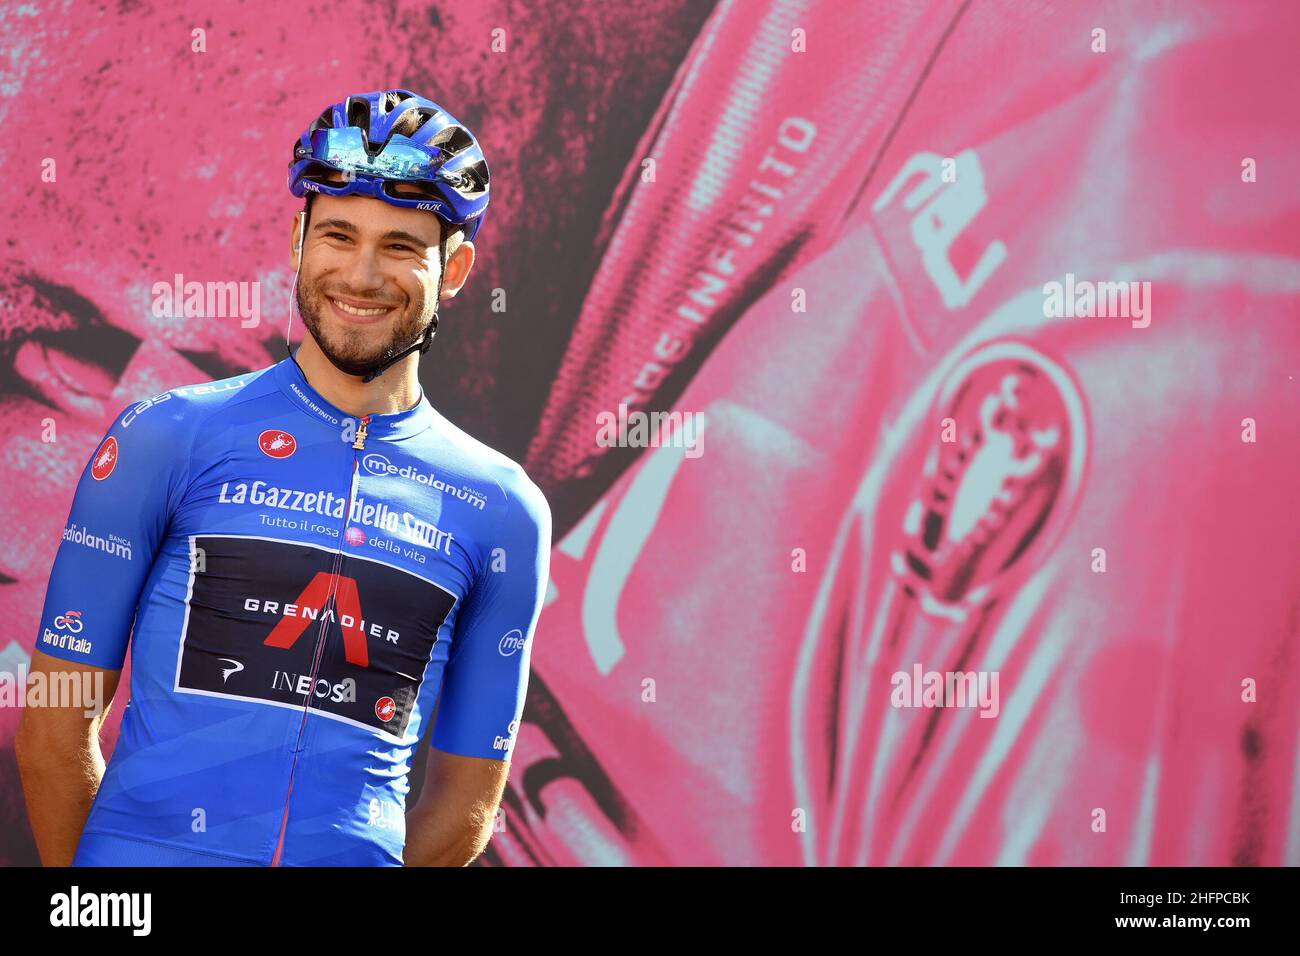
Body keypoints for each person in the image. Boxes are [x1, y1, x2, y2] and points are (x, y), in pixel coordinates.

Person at [16, 89, 552, 867]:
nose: (362, 274)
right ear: (299, 240)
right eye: (338, 233)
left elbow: (469, 799)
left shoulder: (503, 509)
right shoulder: (167, 436)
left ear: (456, 266)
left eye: (401, 246)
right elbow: (54, 731)